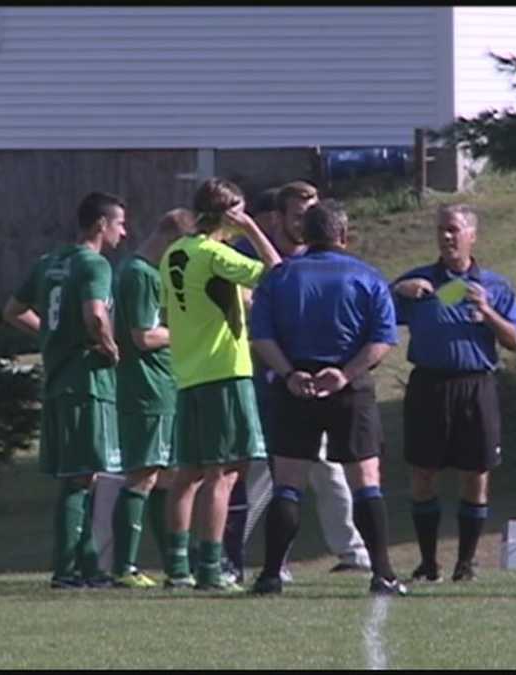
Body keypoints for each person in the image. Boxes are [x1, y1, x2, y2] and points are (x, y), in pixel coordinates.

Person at [248, 200, 406, 596]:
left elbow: (261, 336)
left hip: (294, 386)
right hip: (350, 388)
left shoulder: (279, 277)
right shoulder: (368, 277)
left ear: (305, 234)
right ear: (344, 235)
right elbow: (382, 339)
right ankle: (383, 574)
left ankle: (270, 575)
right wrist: (345, 374)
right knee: (365, 481)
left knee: (288, 482)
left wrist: (289, 373)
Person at [233, 181, 372, 581]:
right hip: (268, 378)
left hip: (322, 381)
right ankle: (254, 558)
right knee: (265, 470)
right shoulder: (249, 256)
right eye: (299, 215)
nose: (307, 223)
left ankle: (353, 551)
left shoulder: (327, 261)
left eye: (312, 214)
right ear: (278, 218)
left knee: (328, 468)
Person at [391, 204, 516, 583]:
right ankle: (428, 562)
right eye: (441, 230)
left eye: (453, 229)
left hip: (475, 386)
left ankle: (466, 562)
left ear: (472, 235)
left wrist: (488, 313)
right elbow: (374, 314)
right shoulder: (418, 283)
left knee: (476, 474)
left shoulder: (495, 287)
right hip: (428, 386)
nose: (446, 237)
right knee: (422, 474)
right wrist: (396, 290)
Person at [157, 178, 282, 591]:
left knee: (187, 474)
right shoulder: (214, 253)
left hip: (188, 374)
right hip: (223, 372)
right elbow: (275, 270)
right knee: (224, 473)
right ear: (229, 213)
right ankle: (211, 567)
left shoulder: (174, 253)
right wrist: (252, 229)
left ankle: (178, 567)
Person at [1, 191, 128, 589]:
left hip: (58, 378)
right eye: (119, 223)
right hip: (86, 381)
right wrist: (109, 347)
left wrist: (52, 336)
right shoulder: (95, 265)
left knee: (81, 475)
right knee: (80, 476)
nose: (124, 232)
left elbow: (12, 310)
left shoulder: (48, 263)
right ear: (99, 226)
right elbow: (95, 316)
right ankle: (68, 570)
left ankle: (87, 566)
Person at [108, 208, 196, 588]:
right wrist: (186, 331)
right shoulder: (140, 275)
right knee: (143, 474)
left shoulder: (143, 272)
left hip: (163, 385)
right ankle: (123, 567)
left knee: (166, 476)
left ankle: (174, 565)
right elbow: (143, 335)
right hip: (147, 388)